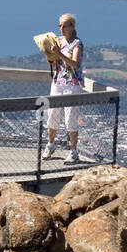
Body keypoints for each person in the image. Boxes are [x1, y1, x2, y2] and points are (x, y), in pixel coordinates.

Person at [44, 13, 85, 164]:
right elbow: (55, 63)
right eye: (59, 25)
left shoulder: (77, 44)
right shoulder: (58, 41)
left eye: (64, 25)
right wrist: (51, 56)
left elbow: (74, 63)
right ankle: (50, 145)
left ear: (72, 27)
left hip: (72, 85)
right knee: (53, 115)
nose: (61, 28)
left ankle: (74, 152)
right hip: (58, 82)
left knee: (70, 118)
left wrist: (59, 54)